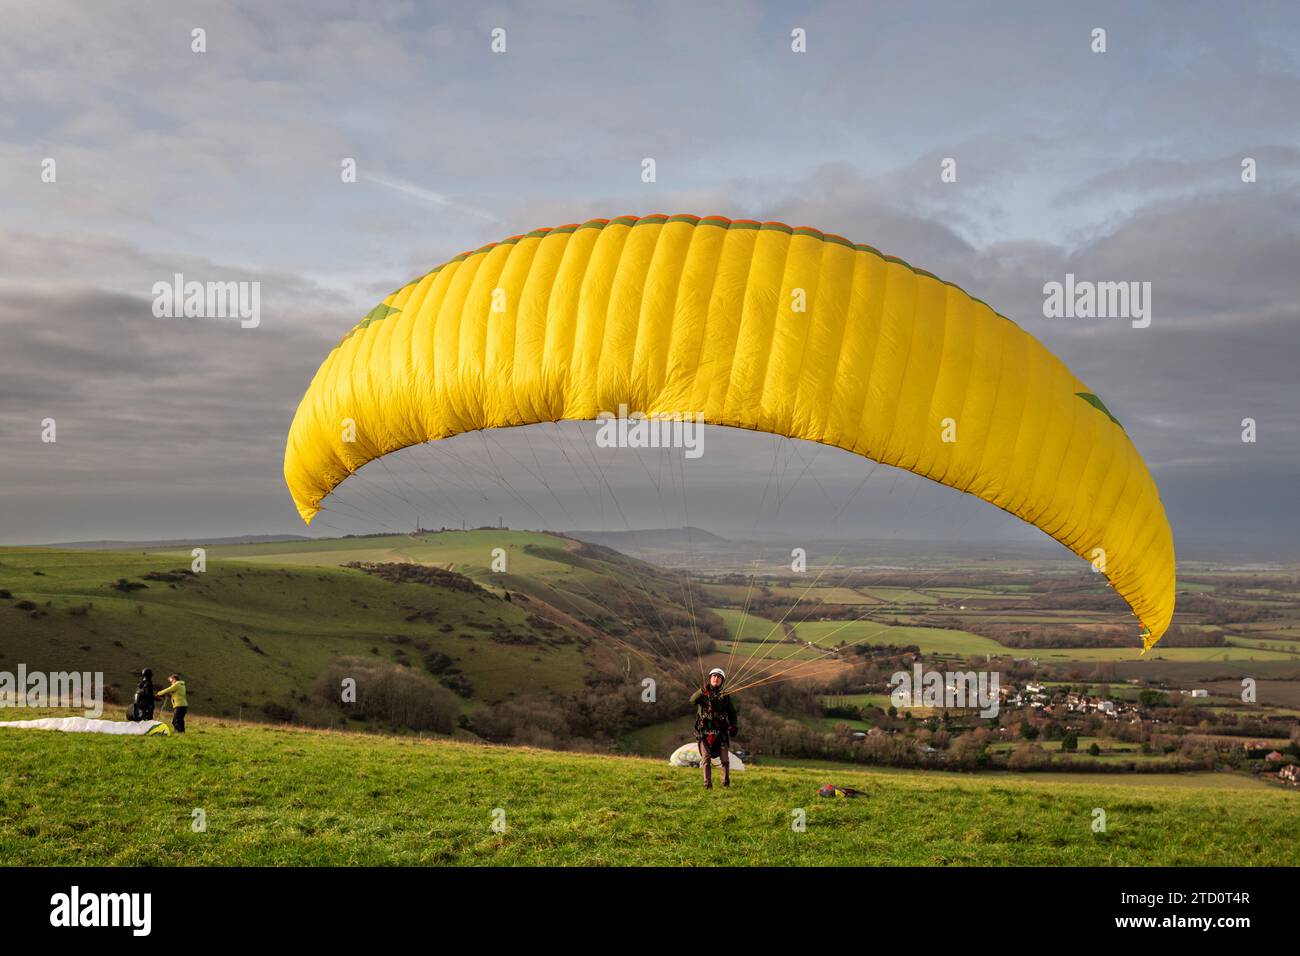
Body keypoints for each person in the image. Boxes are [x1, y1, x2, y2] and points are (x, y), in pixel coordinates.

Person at [690, 667, 738, 789]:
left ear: (722, 681)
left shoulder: (725, 696)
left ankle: (726, 784)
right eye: (714, 676)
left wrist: (733, 726)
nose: (716, 678)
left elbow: (732, 713)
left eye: (719, 677)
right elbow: (692, 700)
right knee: (706, 759)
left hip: (720, 732)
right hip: (704, 733)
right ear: (710, 678)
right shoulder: (703, 694)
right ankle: (707, 785)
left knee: (725, 760)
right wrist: (702, 691)